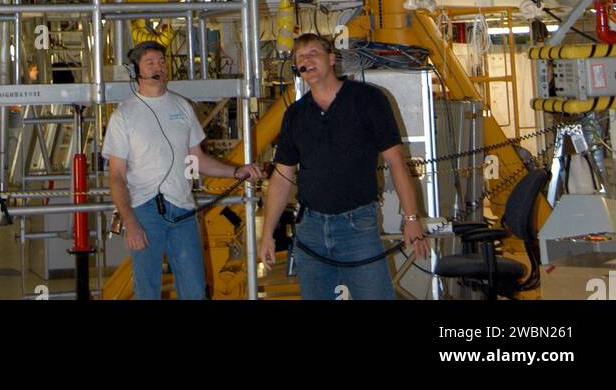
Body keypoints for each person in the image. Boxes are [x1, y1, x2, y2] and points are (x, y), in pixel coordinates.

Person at [258, 33, 429, 300]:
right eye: (300, 57)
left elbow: (396, 162)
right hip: (310, 229)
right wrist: (267, 233)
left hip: (357, 227)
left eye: (313, 53)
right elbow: (282, 176)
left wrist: (411, 219)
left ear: (331, 58)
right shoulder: (295, 114)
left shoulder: (368, 100)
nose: (306, 60)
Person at [103, 41, 262, 300]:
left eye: (162, 62)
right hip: (144, 210)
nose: (159, 67)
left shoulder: (182, 107)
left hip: (183, 209)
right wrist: (130, 221)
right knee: (148, 290)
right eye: (150, 63)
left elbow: (197, 159)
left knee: (194, 289)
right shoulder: (124, 116)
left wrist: (237, 171)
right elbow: (116, 176)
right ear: (136, 71)